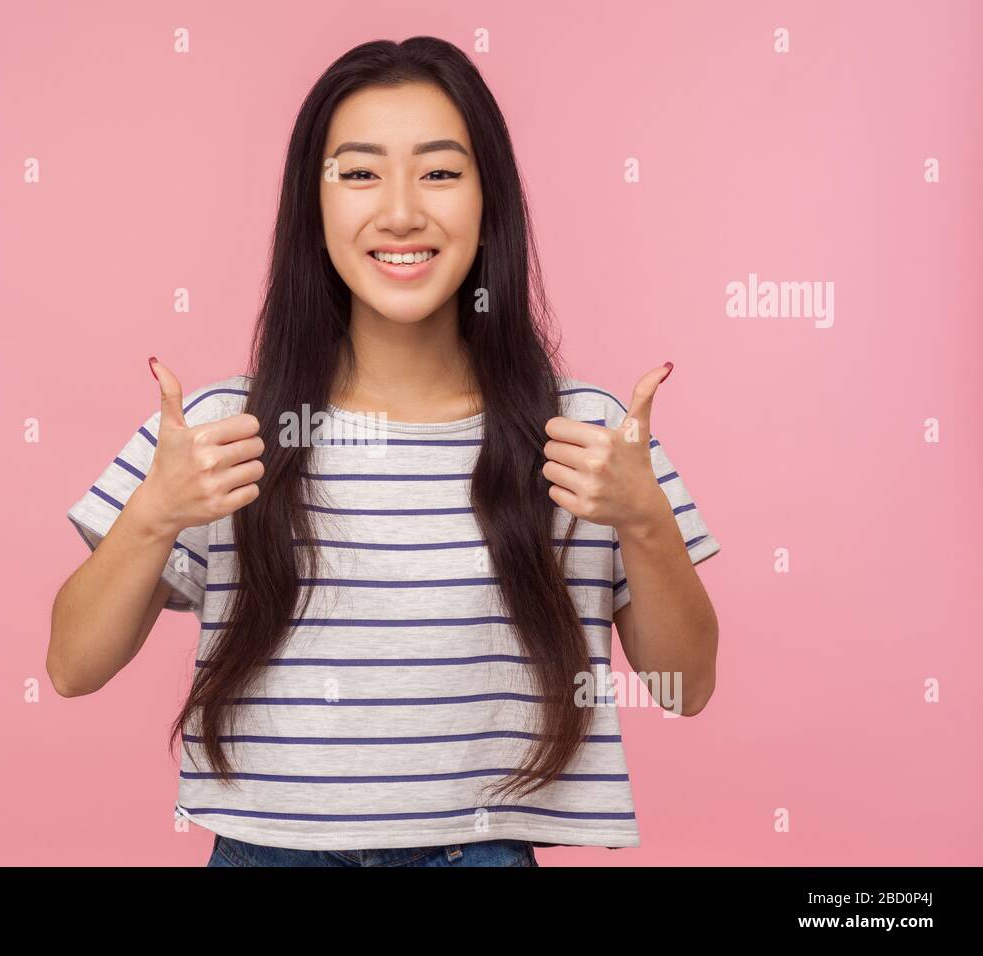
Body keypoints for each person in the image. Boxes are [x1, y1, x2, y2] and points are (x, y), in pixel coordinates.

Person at [48, 36, 721, 868]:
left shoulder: (587, 437)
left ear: (490, 200)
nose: (401, 211)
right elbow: (72, 667)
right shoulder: (221, 432)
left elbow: (683, 690)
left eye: (440, 172)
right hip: (268, 854)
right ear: (313, 205)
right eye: (359, 173)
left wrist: (646, 520)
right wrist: (153, 513)